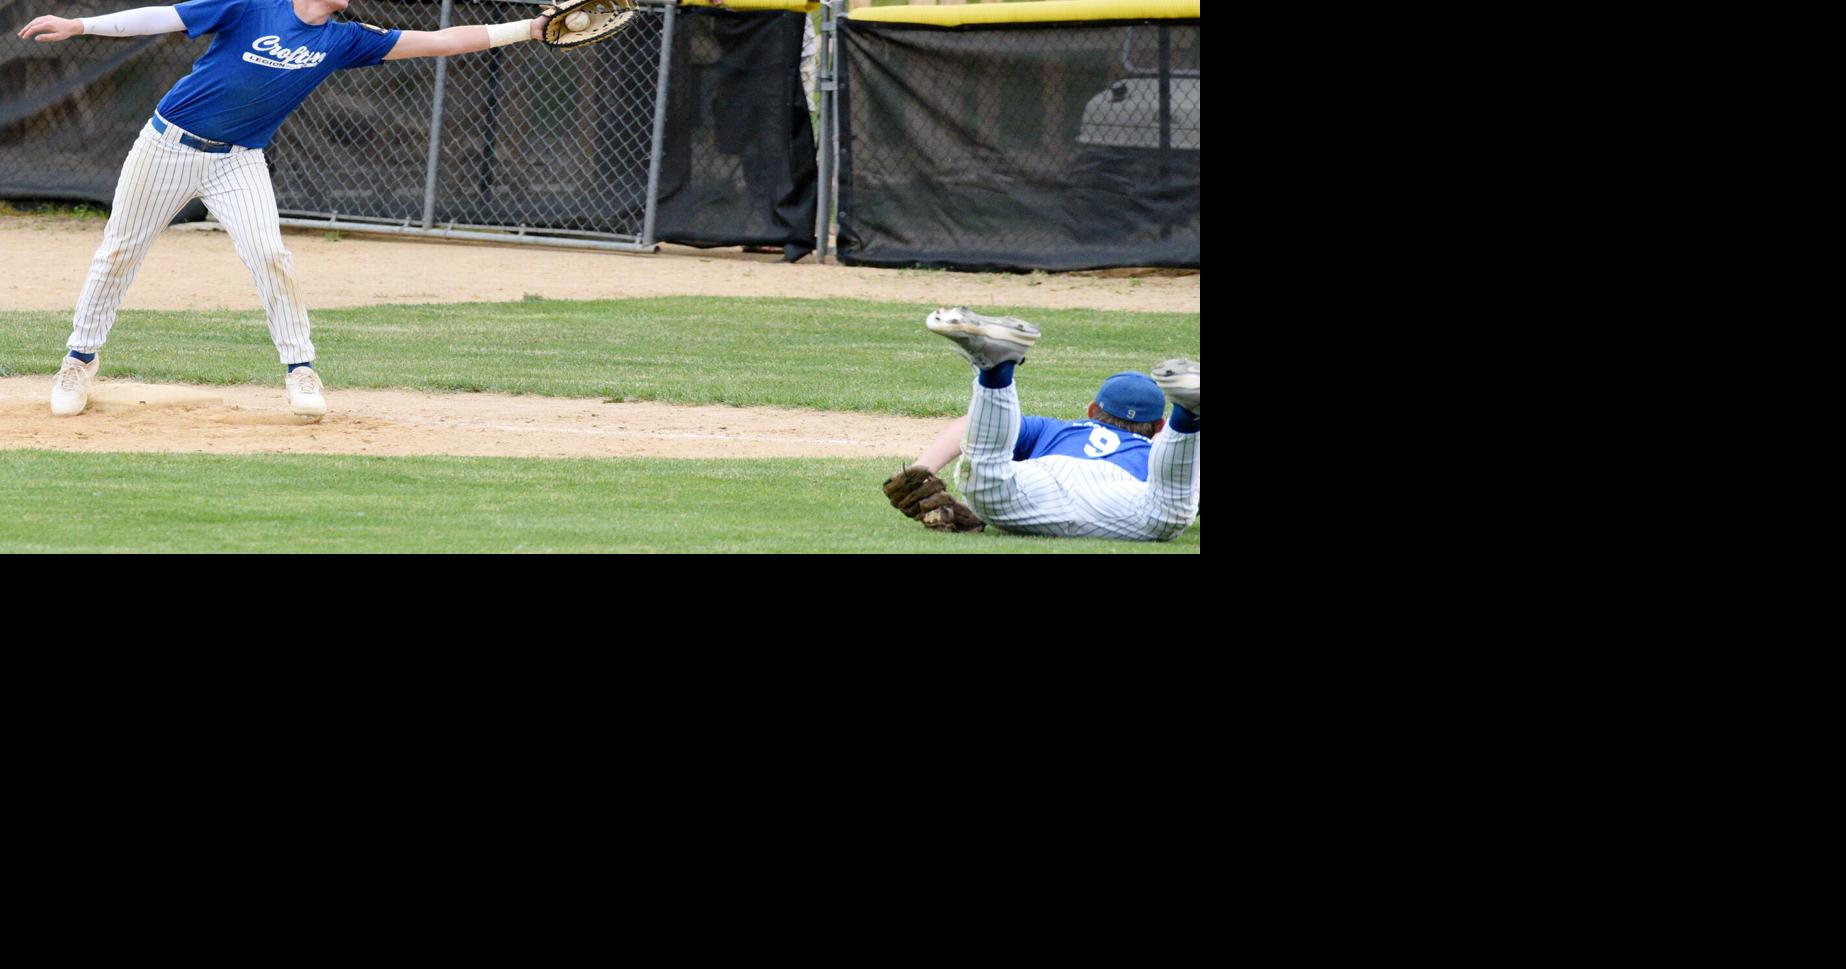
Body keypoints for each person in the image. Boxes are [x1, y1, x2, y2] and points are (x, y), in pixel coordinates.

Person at [17, 0, 558, 418]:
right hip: (166, 145)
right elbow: (165, 16)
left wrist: (528, 29)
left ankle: (301, 369)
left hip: (240, 161)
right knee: (119, 252)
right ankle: (79, 361)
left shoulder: (344, 38)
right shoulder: (251, 7)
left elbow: (440, 41)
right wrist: (81, 25)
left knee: (270, 254)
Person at [902, 307, 1199, 542]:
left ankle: (996, 369)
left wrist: (922, 470)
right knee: (1170, 507)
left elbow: (972, 425)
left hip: (1044, 482)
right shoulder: (1152, 445)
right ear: (1159, 425)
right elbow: (1180, 480)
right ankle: (1187, 417)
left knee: (986, 475)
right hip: (1127, 497)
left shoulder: (1056, 428)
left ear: (1092, 410)